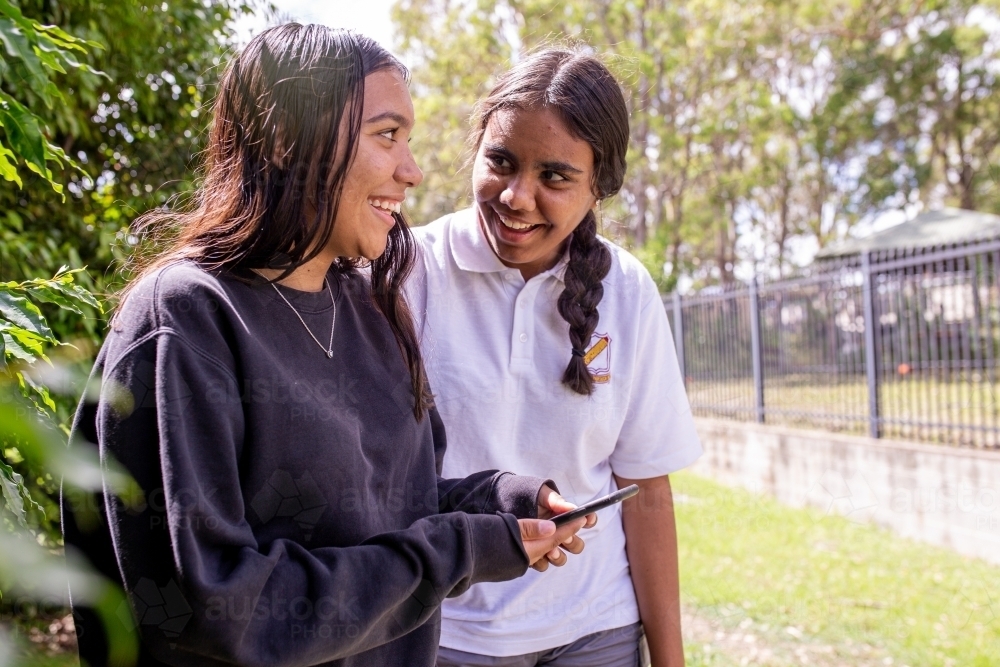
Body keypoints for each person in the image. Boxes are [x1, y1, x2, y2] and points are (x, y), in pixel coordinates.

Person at [60, 25, 591, 667]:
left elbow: (398, 500)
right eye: (386, 135)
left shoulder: (371, 308)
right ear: (289, 139)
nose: (412, 170)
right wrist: (461, 550)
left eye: (409, 141)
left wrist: (500, 500)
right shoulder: (187, 320)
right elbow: (222, 606)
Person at [406, 47, 704, 666]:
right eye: (501, 162)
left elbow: (645, 487)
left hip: (597, 630)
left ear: (601, 184)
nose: (517, 197)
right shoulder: (411, 271)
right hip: (447, 632)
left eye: (555, 177)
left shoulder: (627, 291)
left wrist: (670, 660)